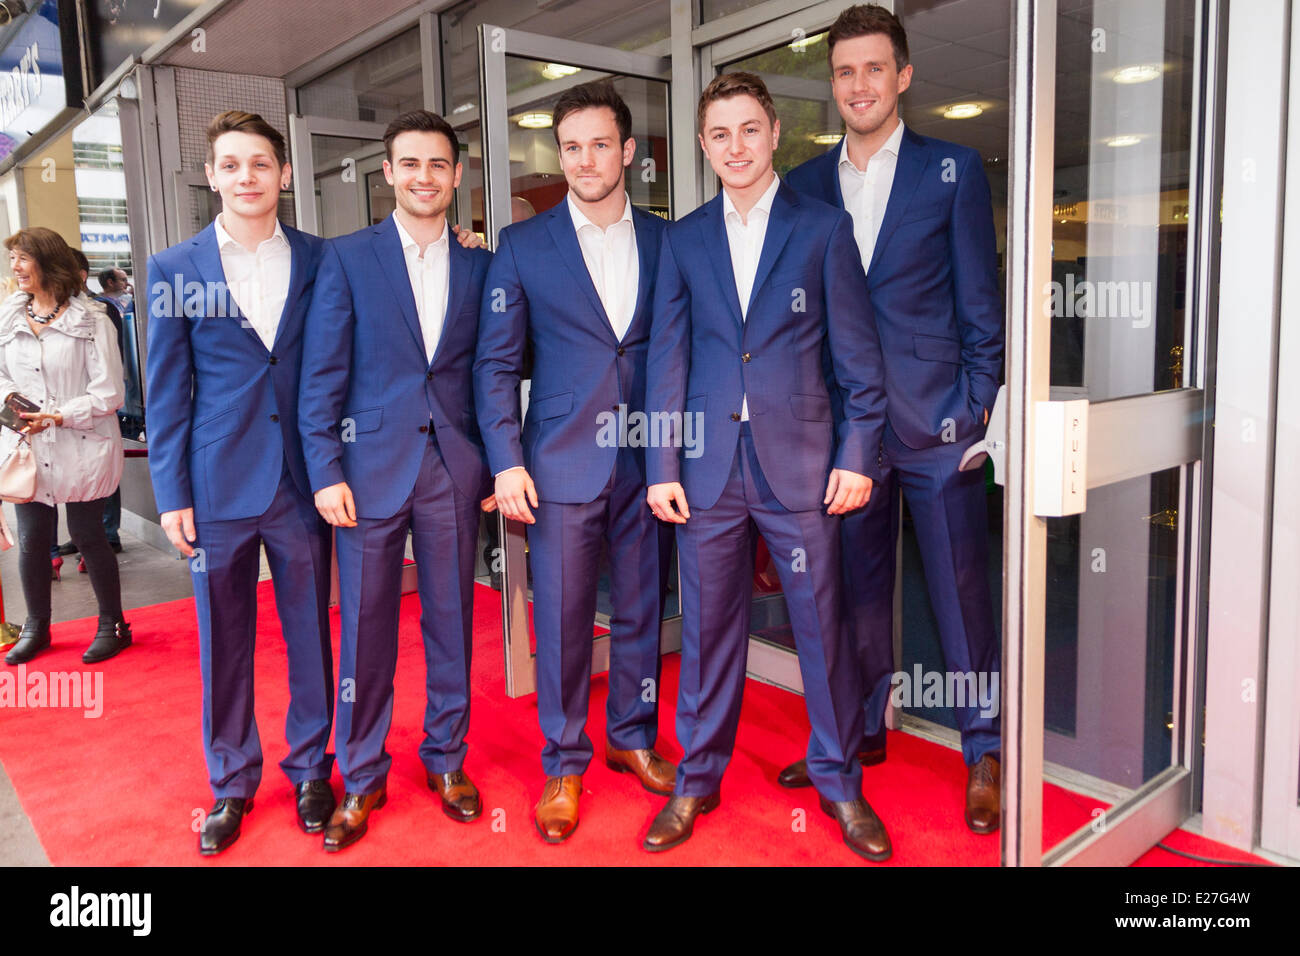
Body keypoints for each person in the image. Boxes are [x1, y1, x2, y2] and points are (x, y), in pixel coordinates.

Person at [642, 72, 890, 860]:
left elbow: (859, 359)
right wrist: (661, 464)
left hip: (804, 467)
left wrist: (857, 455)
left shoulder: (822, 230)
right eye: (720, 134)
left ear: (776, 132)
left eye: (749, 130)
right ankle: (697, 780)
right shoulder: (683, 238)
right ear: (704, 145)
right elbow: (668, 357)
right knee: (711, 630)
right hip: (709, 469)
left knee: (821, 627)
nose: (736, 147)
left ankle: (841, 782)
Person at [782, 3, 1005, 834]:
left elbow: (981, 302)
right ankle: (862, 734)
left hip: (939, 423)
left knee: (959, 591)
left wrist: (978, 407)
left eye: (874, 68)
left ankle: (982, 748)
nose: (859, 84)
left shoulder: (952, 169)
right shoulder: (803, 184)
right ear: (832, 85)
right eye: (844, 71)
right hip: (846, 432)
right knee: (857, 594)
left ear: (903, 75)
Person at [476, 80, 675, 844]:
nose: (585, 159)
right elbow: (494, 366)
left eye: (600, 144)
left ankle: (631, 734)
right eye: (570, 146)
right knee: (559, 620)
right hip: (557, 464)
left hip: (648, 462)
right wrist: (505, 460)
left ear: (628, 152)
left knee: (641, 610)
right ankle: (564, 760)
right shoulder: (524, 245)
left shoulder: (670, 241)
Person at [299, 109, 494, 852]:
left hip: (451, 470)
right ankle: (363, 773)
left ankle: (448, 760)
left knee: (452, 623)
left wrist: (491, 457)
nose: (423, 177)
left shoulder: (482, 263)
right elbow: (321, 376)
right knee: (367, 634)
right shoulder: (345, 260)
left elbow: (495, 368)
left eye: (437, 165)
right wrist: (324, 471)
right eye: (409, 164)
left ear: (456, 175)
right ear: (387, 173)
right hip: (365, 473)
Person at [146, 110, 336, 856]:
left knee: (310, 636)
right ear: (212, 175)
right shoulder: (173, 269)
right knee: (223, 639)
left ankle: (313, 768)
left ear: (284, 174)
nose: (246, 178)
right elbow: (166, 392)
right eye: (231, 165)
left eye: (260, 164)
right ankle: (231, 780)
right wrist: (171, 494)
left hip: (301, 479)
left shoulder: (325, 260)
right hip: (215, 483)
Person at [0, 227, 129, 666]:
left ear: (48, 263)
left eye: (22, 258)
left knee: (88, 534)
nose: (14, 267)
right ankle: (37, 627)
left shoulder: (92, 320)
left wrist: (57, 415)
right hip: (29, 446)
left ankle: (113, 624)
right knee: (34, 540)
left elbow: (110, 393)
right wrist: (13, 407)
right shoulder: (9, 316)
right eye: (12, 258)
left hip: (82, 442)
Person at [53, 251, 123, 565]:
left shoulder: (99, 311)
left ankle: (109, 532)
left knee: (100, 478)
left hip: (95, 408)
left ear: (79, 275)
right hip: (55, 422)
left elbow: (112, 372)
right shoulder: (28, 314)